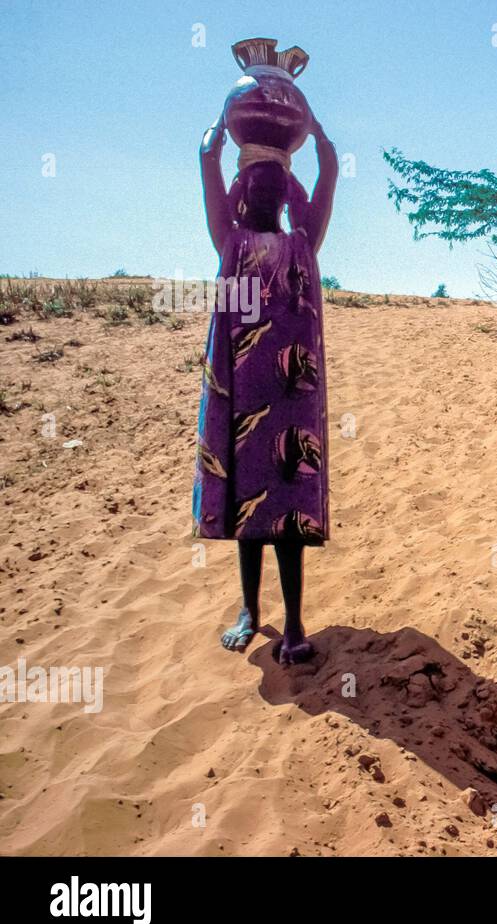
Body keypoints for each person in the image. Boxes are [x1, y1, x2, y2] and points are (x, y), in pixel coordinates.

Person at [193, 110, 338, 664]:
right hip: (245, 396)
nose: (266, 189)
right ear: (240, 192)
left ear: (284, 197)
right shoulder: (229, 243)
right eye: (257, 181)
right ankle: (251, 611)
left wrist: (315, 136)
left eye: (274, 184)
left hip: (292, 401)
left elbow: (327, 178)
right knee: (249, 509)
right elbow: (208, 167)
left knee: (291, 515)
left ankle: (296, 623)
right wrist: (218, 131)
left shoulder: (304, 245)